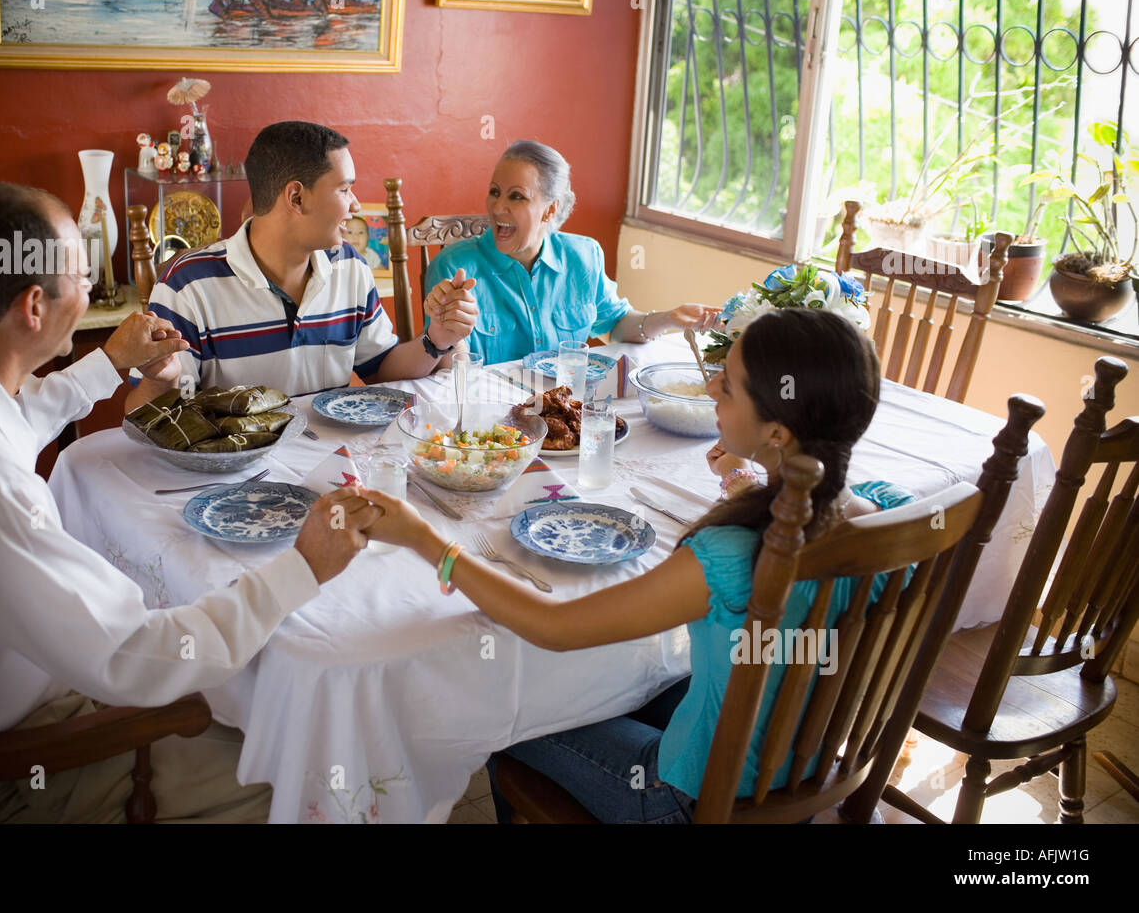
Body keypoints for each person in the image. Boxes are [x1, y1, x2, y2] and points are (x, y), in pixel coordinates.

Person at [0, 183, 381, 822]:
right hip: (3, 768)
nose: (93, 286)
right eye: (81, 274)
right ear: (35, 305)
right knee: (333, 776)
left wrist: (111, 360)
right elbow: (135, 657)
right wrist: (303, 567)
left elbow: (9, 416)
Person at [358, 307, 916, 823]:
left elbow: (554, 627)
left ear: (777, 432)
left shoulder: (732, 556)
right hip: (805, 763)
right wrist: (751, 478)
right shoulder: (895, 511)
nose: (711, 385)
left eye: (730, 382)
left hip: (685, 798)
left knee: (504, 713)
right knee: (636, 679)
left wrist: (427, 541)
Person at [126, 122, 479, 412]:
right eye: (345, 189)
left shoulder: (350, 268)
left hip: (331, 465)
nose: (356, 204)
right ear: (296, 197)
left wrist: (438, 338)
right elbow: (144, 415)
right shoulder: (186, 287)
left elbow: (381, 371)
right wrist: (161, 380)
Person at [422, 139, 721, 366]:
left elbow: (616, 326)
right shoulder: (455, 267)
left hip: (565, 412)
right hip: (492, 421)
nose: (497, 207)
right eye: (495, 191)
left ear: (550, 209)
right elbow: (451, 368)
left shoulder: (584, 256)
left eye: (516, 196)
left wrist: (671, 317)